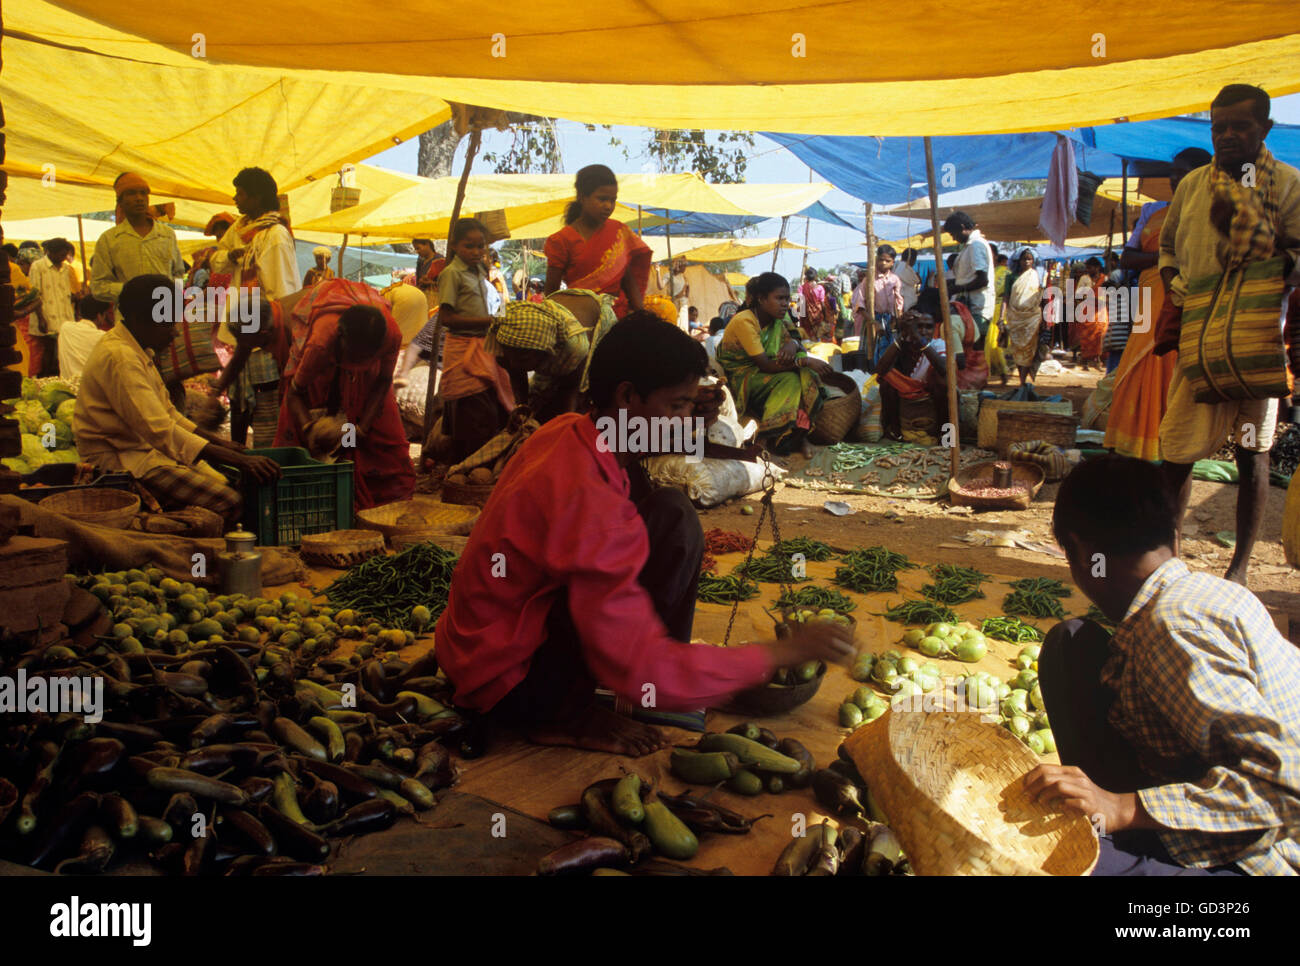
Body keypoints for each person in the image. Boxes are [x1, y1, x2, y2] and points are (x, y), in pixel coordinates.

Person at [435, 316, 855, 755]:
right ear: (627, 396)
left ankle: (655, 674)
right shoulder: (590, 501)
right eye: (676, 405)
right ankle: (561, 715)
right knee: (636, 623)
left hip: (470, 645)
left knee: (672, 513)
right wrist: (777, 655)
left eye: (688, 406)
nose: (684, 419)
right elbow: (635, 662)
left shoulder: (571, 431)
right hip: (504, 678)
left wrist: (689, 413)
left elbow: (647, 443)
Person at [1025, 455, 1300, 876]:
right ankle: (1119, 831)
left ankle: (1123, 836)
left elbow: (1286, 790)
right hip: (1225, 796)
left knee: (1052, 868)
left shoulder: (1172, 626)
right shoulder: (1212, 593)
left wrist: (1124, 807)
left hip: (1266, 852)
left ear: (1083, 556)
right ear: (1174, 537)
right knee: (1073, 644)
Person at [1157, 84, 1300, 586]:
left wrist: (1271, 260)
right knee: (1177, 449)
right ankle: (1169, 557)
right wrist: (1177, 285)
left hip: (1257, 337)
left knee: (1252, 448)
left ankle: (1238, 569)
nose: (1229, 135)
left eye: (1240, 126)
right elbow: (1169, 248)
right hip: (1199, 330)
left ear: (1265, 128)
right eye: (1220, 127)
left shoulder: (1287, 184)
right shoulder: (1194, 185)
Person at [74, 275, 280, 523]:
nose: (174, 333)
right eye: (169, 324)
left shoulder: (137, 351)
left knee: (231, 482)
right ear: (142, 321)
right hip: (123, 463)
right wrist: (236, 458)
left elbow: (168, 415)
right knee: (229, 503)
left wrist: (222, 445)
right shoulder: (121, 358)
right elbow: (160, 430)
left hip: (145, 454)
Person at [1104, 149, 1212, 461]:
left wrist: (1166, 259)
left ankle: (1167, 447)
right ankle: (1134, 444)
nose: (1176, 178)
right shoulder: (1154, 212)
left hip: (1185, 300)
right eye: (1173, 172)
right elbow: (1127, 258)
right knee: (1136, 367)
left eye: (1184, 172)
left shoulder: (1210, 213)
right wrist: (1165, 257)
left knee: (1171, 370)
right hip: (1150, 301)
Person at [274, 279, 416, 509]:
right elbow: (294, 393)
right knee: (302, 440)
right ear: (340, 337)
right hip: (323, 369)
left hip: (367, 378)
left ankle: (375, 502)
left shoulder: (391, 335)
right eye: (354, 357)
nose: (356, 364)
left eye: (364, 360)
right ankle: (313, 501)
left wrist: (358, 430)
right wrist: (310, 429)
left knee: (383, 442)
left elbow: (382, 382)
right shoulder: (321, 342)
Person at [210, 167, 303, 447]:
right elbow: (216, 260)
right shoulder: (240, 229)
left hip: (264, 335)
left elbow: (283, 291)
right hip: (246, 329)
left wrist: (271, 332)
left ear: (257, 196)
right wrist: (230, 254)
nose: (235, 199)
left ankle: (265, 458)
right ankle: (241, 457)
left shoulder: (274, 235)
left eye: (240, 193)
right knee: (240, 404)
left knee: (265, 407)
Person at [426, 218, 515, 462]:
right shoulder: (451, 274)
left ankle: (481, 463)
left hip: (483, 347)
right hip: (464, 348)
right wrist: (487, 322)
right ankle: (467, 465)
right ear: (454, 245)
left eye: (481, 246)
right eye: (470, 246)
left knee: (489, 410)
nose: (477, 252)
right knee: (472, 412)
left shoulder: (480, 271)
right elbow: (446, 317)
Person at [716, 273, 831, 457]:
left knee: (806, 376)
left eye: (787, 298)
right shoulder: (745, 320)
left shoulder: (780, 319)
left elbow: (796, 340)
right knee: (791, 379)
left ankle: (800, 436)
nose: (785, 303)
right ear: (761, 299)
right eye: (779, 298)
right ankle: (767, 437)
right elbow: (766, 365)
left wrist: (793, 345)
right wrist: (804, 361)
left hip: (767, 372)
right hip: (743, 375)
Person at [544, 165, 651, 316]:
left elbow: (628, 279)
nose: (608, 206)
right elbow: (551, 294)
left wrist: (641, 314)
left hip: (618, 321)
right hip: (580, 323)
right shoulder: (560, 241)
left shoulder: (618, 231)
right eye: (602, 199)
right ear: (582, 197)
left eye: (612, 200)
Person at [89, 173, 185, 307]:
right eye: (131, 193)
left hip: (164, 315)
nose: (139, 198)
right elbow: (98, 287)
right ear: (120, 202)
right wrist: (132, 291)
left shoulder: (167, 235)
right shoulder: (109, 239)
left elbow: (179, 274)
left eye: (143, 193)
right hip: (129, 319)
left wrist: (172, 296)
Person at [875, 290, 951, 441]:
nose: (923, 331)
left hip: (929, 391)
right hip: (907, 392)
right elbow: (881, 369)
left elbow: (943, 369)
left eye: (928, 327)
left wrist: (919, 338)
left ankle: (946, 434)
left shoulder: (937, 345)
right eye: (919, 327)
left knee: (945, 384)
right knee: (885, 383)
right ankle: (895, 431)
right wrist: (903, 335)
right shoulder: (903, 344)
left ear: (934, 329)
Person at [27, 238, 81, 378]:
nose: (63, 258)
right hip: (46, 316)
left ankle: (60, 379)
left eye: (65, 255)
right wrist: (41, 318)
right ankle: (44, 379)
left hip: (65, 316)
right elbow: (35, 294)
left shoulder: (66, 268)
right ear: (51, 252)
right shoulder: (38, 266)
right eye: (61, 255)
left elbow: (69, 293)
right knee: (48, 352)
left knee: (63, 352)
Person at [943, 211, 996, 350]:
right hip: (969, 305)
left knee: (974, 350)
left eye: (953, 234)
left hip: (977, 307)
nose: (954, 239)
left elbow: (983, 280)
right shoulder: (970, 246)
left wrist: (958, 288)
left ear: (962, 227)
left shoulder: (976, 245)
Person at [854, 245, 904, 368]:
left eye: (887, 261)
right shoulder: (869, 280)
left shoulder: (895, 279)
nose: (883, 263)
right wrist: (874, 323)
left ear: (892, 263)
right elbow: (860, 306)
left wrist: (896, 320)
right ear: (876, 260)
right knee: (871, 355)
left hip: (889, 322)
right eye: (881, 259)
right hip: (872, 321)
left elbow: (899, 303)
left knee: (890, 356)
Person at [1001, 248, 1045, 386]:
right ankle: (1021, 378)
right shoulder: (1011, 277)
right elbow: (1006, 298)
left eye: (1029, 259)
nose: (1026, 261)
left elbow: (1042, 299)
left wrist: (1045, 317)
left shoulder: (1038, 276)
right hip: (1015, 317)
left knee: (1029, 349)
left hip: (1032, 317)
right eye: (1024, 259)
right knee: (1017, 348)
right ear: (1018, 261)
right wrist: (1001, 317)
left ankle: (1023, 380)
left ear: (1033, 261)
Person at [1073, 256, 1110, 369]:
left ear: (1097, 267)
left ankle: (1098, 359)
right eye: (1087, 268)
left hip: (1101, 311)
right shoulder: (1084, 278)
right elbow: (1078, 295)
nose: (1088, 270)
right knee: (1086, 336)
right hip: (1087, 310)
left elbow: (1109, 294)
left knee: (1100, 334)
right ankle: (1085, 359)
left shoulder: (1105, 279)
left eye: (1090, 268)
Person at [987, 252, 1011, 385]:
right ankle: (1003, 371)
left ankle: (1000, 371)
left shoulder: (991, 273)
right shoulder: (1007, 273)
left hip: (994, 309)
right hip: (1003, 310)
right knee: (999, 342)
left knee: (993, 342)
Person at [797, 268, 834, 343]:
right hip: (818, 316)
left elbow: (801, 303)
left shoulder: (801, 288)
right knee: (818, 335)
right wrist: (825, 317)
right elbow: (822, 304)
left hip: (806, 316)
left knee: (806, 336)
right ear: (816, 277)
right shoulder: (820, 288)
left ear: (806, 277)